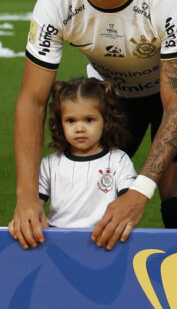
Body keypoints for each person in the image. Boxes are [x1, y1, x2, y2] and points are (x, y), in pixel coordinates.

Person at [12, 0, 177, 251]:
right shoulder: (56, 1)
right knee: (86, 204)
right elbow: (32, 100)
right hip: (110, 100)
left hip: (168, 99)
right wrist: (26, 196)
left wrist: (141, 191)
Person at [35, 78, 137, 230]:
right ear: (60, 123)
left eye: (89, 120)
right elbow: (34, 205)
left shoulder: (119, 160)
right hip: (58, 242)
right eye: (71, 121)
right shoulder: (50, 163)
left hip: (105, 240)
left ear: (106, 121)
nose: (79, 128)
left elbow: (129, 202)